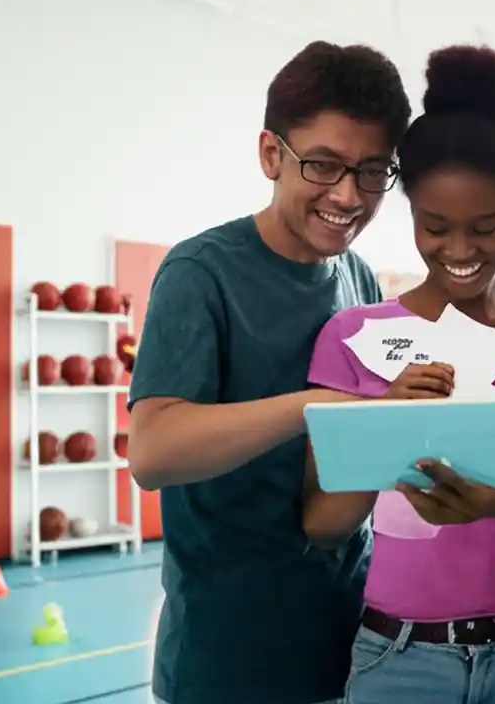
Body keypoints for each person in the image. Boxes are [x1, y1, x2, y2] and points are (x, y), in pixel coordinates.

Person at [300, 45, 495, 704]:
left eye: (486, 228)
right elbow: (322, 523)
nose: (460, 252)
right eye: (435, 227)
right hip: (398, 658)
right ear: (408, 210)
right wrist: (385, 428)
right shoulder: (353, 338)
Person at [125, 41, 412, 704]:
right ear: (270, 155)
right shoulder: (200, 273)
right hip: (225, 660)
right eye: (324, 165)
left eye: (373, 172)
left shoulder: (359, 277)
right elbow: (153, 452)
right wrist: (312, 405)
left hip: (345, 641)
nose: (348, 194)